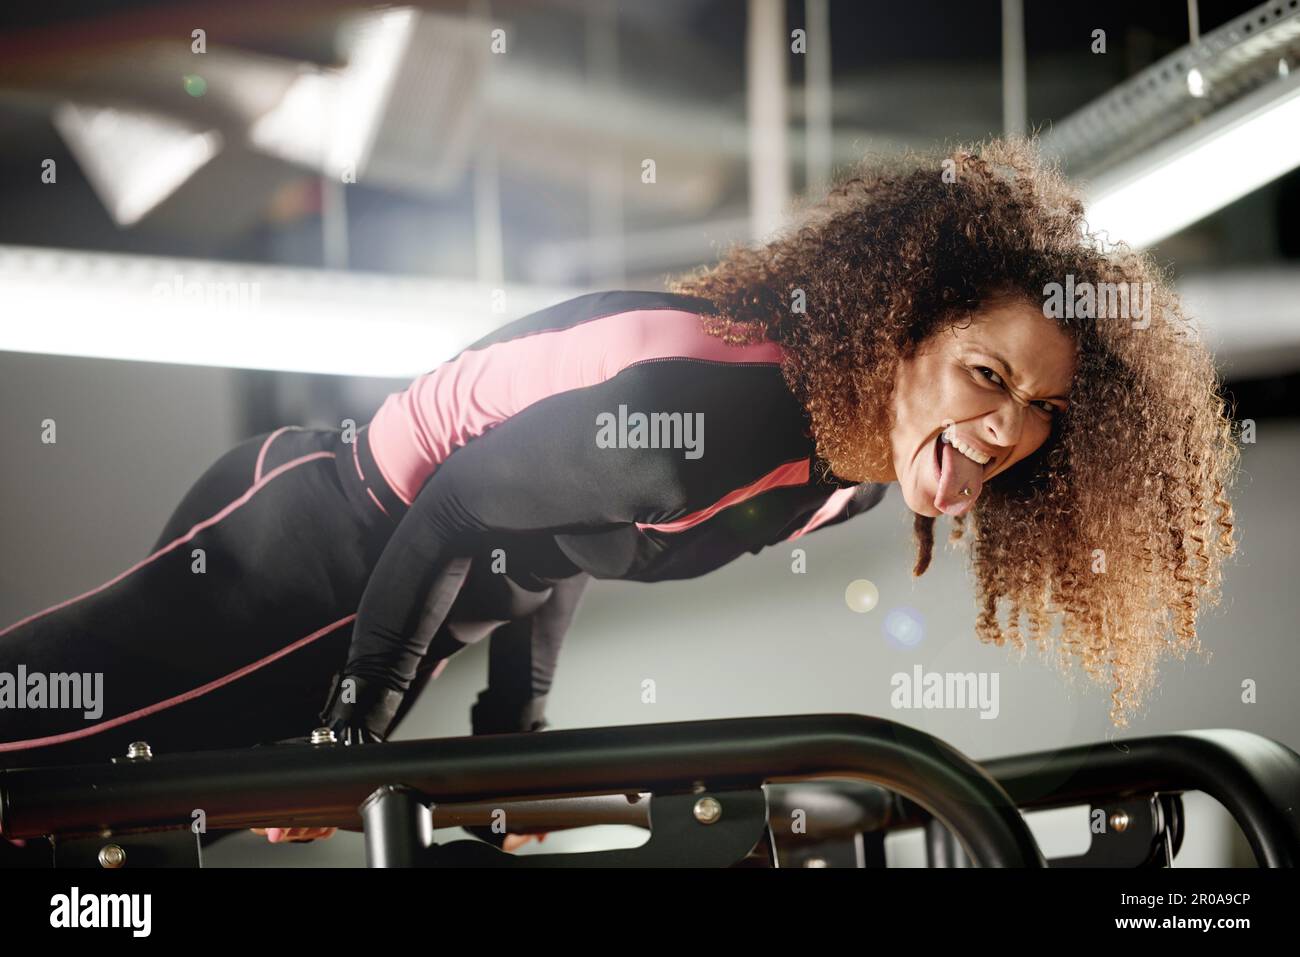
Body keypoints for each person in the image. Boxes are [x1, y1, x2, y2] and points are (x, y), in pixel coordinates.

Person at [0, 138, 1237, 853]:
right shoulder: (724, 417)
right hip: (320, 540)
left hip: (383, 593)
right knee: (32, 763)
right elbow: (463, 510)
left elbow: (561, 542)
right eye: (985, 374)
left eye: (1040, 414)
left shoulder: (846, 484)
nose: (1008, 427)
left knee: (107, 860)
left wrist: (510, 736)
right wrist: (355, 732)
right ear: (901, 334)